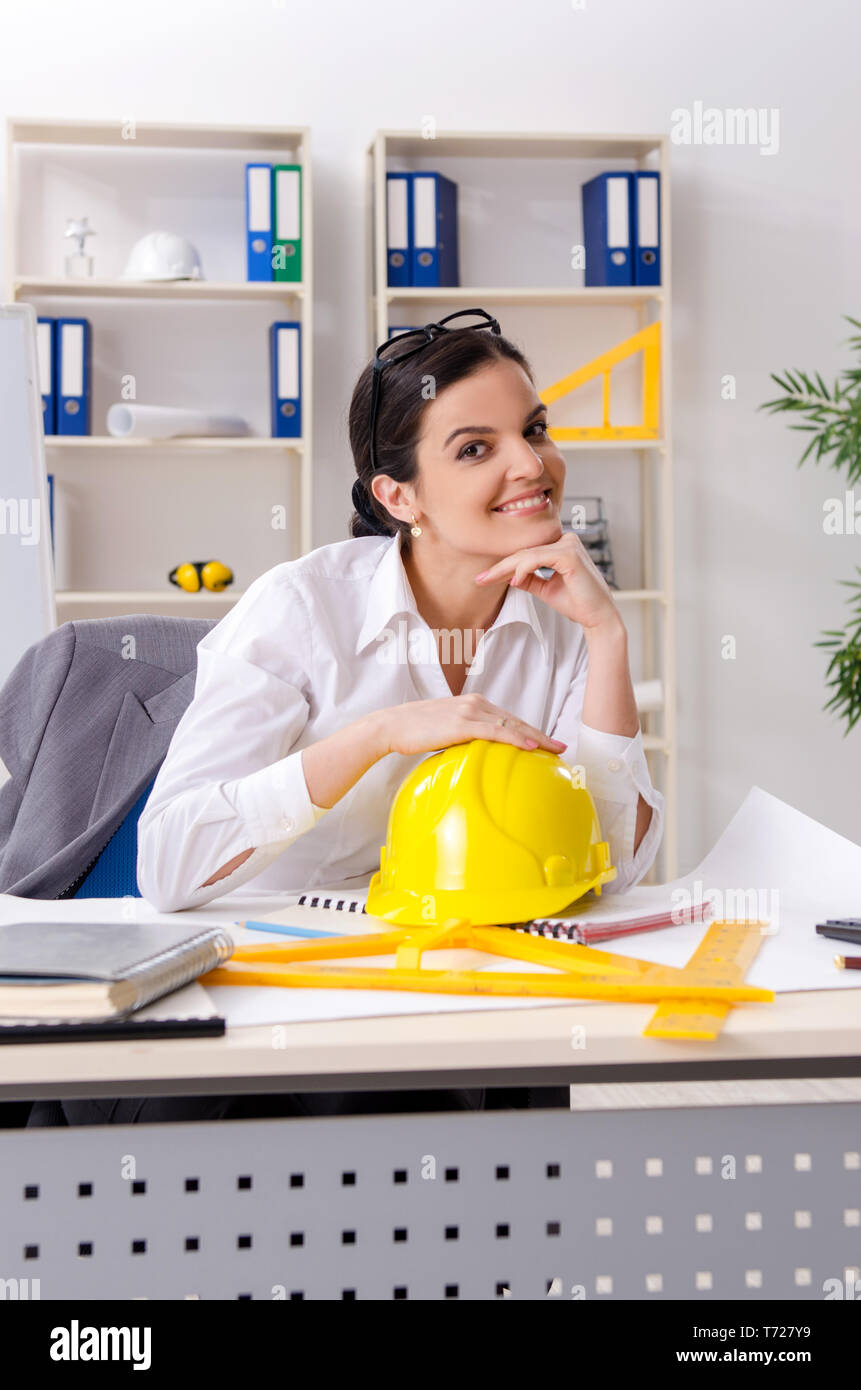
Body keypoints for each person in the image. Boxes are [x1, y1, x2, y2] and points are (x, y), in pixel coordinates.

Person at [30, 312, 664, 1127]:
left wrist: (606, 635)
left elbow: (609, 871)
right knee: (374, 1107)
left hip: (416, 984)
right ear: (398, 497)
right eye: (476, 448)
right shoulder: (300, 609)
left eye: (533, 430)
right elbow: (168, 859)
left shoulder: (559, 618)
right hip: (250, 990)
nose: (529, 464)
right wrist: (376, 736)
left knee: (430, 1106)